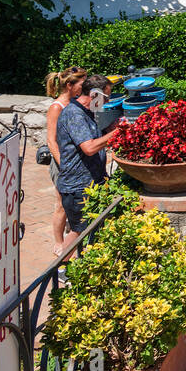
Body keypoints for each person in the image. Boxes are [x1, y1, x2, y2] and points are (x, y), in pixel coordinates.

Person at [55, 72, 117, 241]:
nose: (107, 102)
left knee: (89, 232)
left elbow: (91, 137)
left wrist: (108, 129)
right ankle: (60, 266)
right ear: (94, 95)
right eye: (106, 97)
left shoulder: (86, 111)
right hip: (78, 188)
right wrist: (116, 133)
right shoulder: (74, 114)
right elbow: (89, 147)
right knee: (79, 232)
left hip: (90, 183)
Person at [44, 66, 87, 256]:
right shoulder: (57, 108)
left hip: (77, 162)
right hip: (62, 162)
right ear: (69, 85)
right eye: (82, 84)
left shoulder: (77, 103)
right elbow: (51, 141)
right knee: (61, 203)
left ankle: (75, 237)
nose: (84, 88)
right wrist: (65, 165)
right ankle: (60, 243)